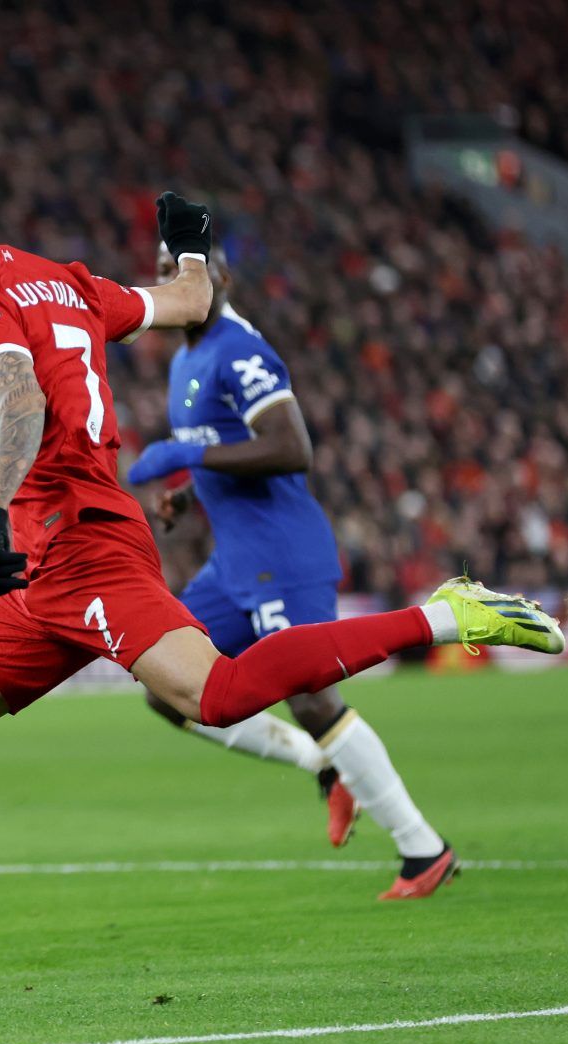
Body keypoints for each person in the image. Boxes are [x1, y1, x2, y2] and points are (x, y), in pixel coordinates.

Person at [0, 165, 564, 945]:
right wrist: (195, 246)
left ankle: (449, 612)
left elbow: (17, 396)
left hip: (80, 547)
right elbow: (187, 300)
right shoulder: (69, 283)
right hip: (46, 569)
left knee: (216, 694)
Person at [127, 245, 449, 898]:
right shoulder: (188, 356)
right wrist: (190, 489)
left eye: (186, 269)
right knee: (165, 682)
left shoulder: (238, 349)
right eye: (164, 271)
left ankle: (423, 850)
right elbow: (225, 449)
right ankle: (324, 769)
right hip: (233, 564)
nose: (173, 282)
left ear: (222, 278)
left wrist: (190, 452)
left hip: (283, 556)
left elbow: (289, 446)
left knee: (311, 698)